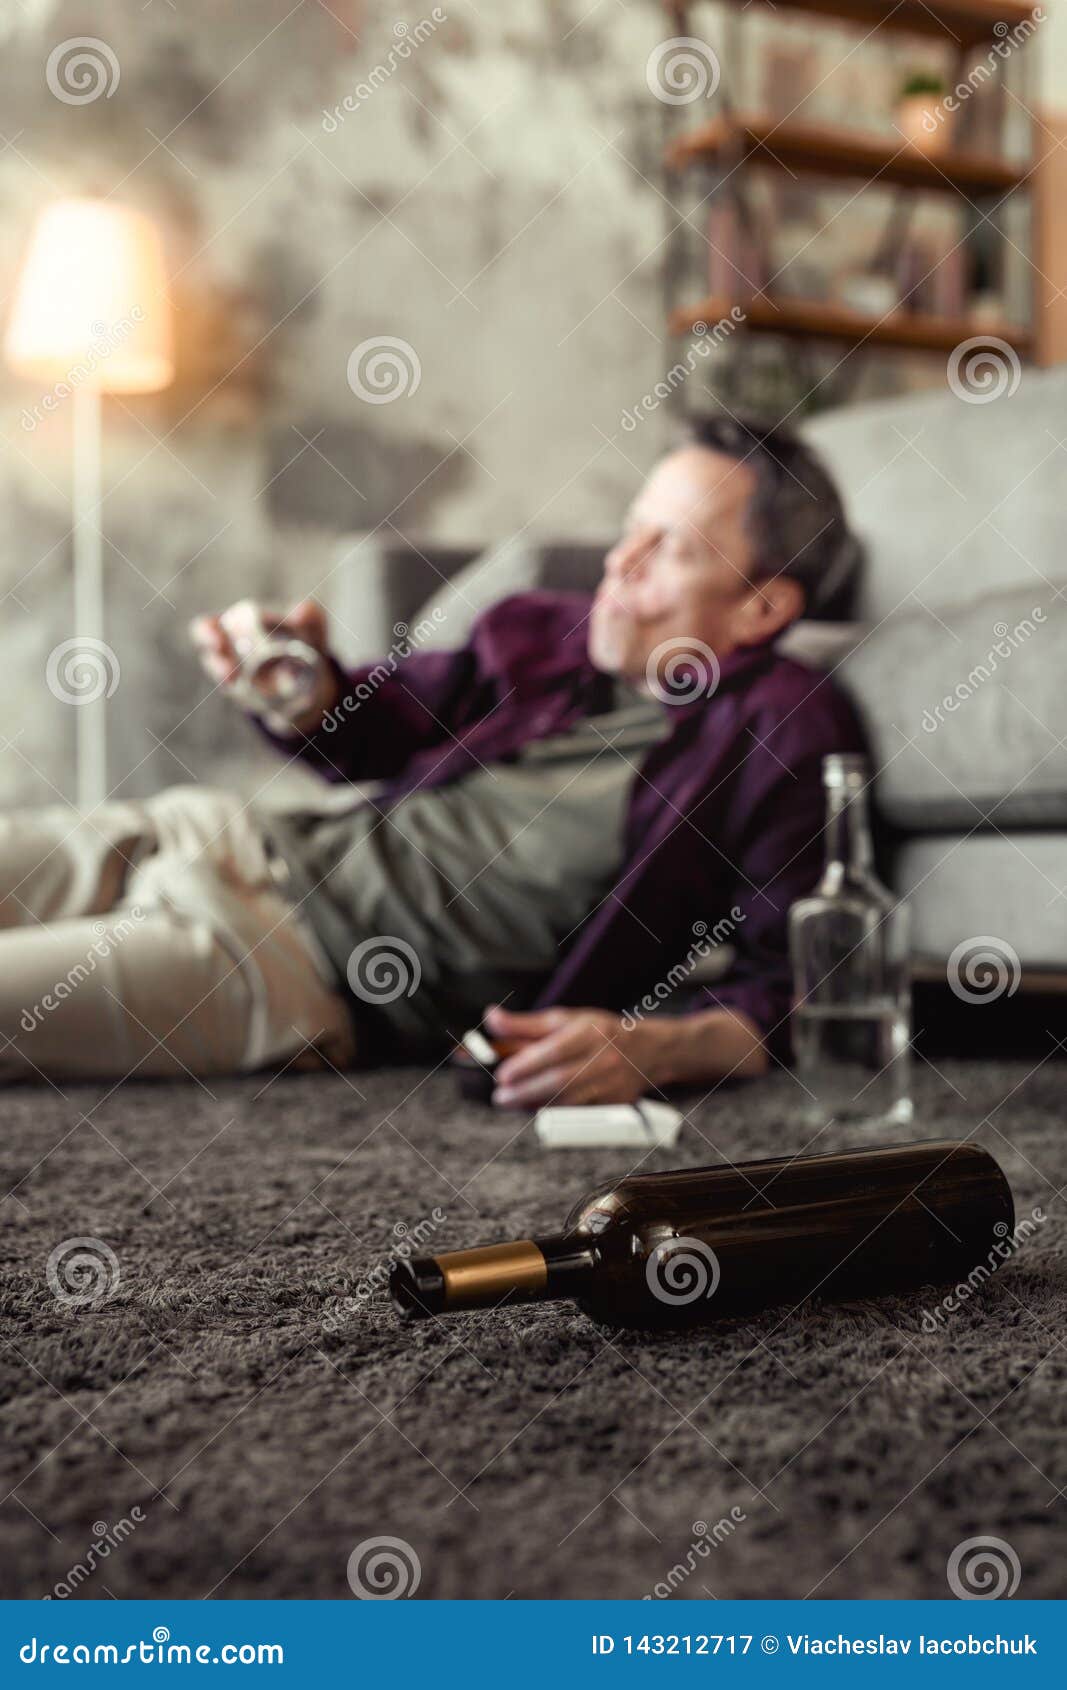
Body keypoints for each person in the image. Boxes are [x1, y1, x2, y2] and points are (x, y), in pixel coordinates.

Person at [0, 415, 864, 1103]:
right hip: (231, 837)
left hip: (290, 965)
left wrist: (656, 1047)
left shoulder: (784, 727)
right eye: (630, 531)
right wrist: (301, 690)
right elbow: (377, 723)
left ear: (760, 606)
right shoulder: (542, 634)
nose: (617, 563)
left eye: (669, 548)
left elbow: (788, 984)